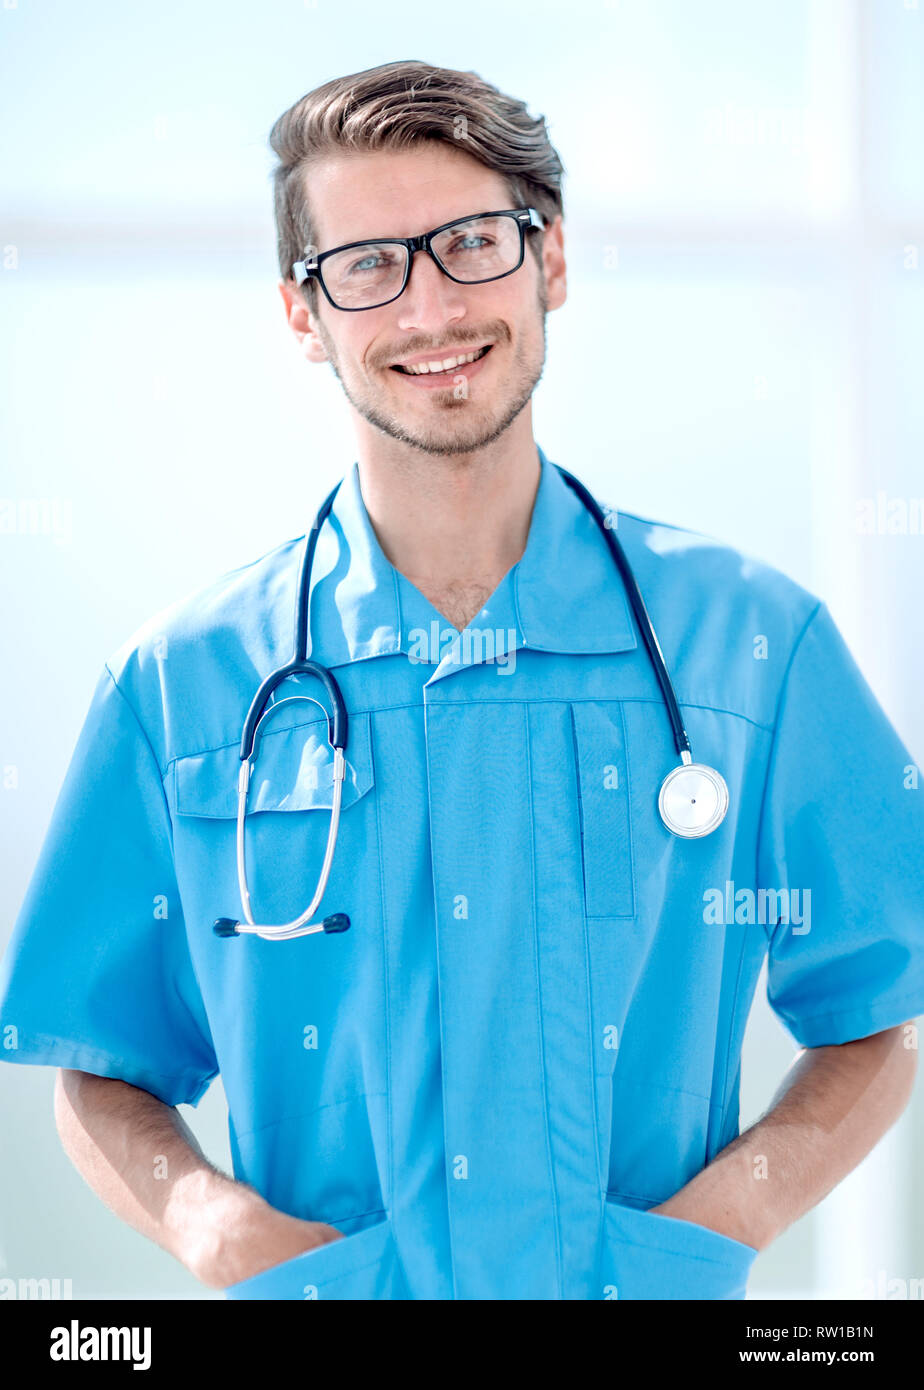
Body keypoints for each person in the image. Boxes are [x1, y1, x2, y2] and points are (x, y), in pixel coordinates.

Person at [1, 60, 922, 1302]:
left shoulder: (750, 645)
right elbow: (101, 1059)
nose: (429, 308)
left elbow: (878, 1005)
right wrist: (211, 1225)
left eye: (472, 243)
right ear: (301, 312)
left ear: (549, 262)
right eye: (369, 265)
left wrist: (717, 1226)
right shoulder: (181, 689)